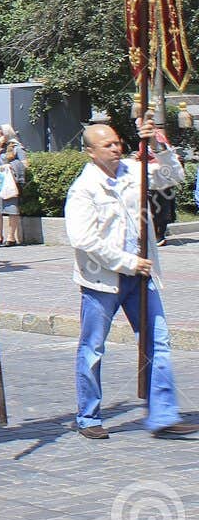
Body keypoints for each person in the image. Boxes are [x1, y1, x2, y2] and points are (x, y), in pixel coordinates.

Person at [65, 118, 196, 439]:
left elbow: (171, 176)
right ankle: (88, 416)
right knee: (93, 347)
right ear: (91, 152)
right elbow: (84, 240)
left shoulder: (131, 172)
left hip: (141, 278)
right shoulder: (84, 189)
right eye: (107, 144)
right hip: (103, 281)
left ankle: (163, 414)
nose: (115, 147)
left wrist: (155, 144)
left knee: (158, 341)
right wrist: (127, 261)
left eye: (117, 142)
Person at [0, 138, 27, 247]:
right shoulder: (0, 147)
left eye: (1, 134)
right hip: (0, 179)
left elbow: (25, 164)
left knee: (12, 208)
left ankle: (11, 237)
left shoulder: (18, 147)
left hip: (11, 180)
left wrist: (12, 166)